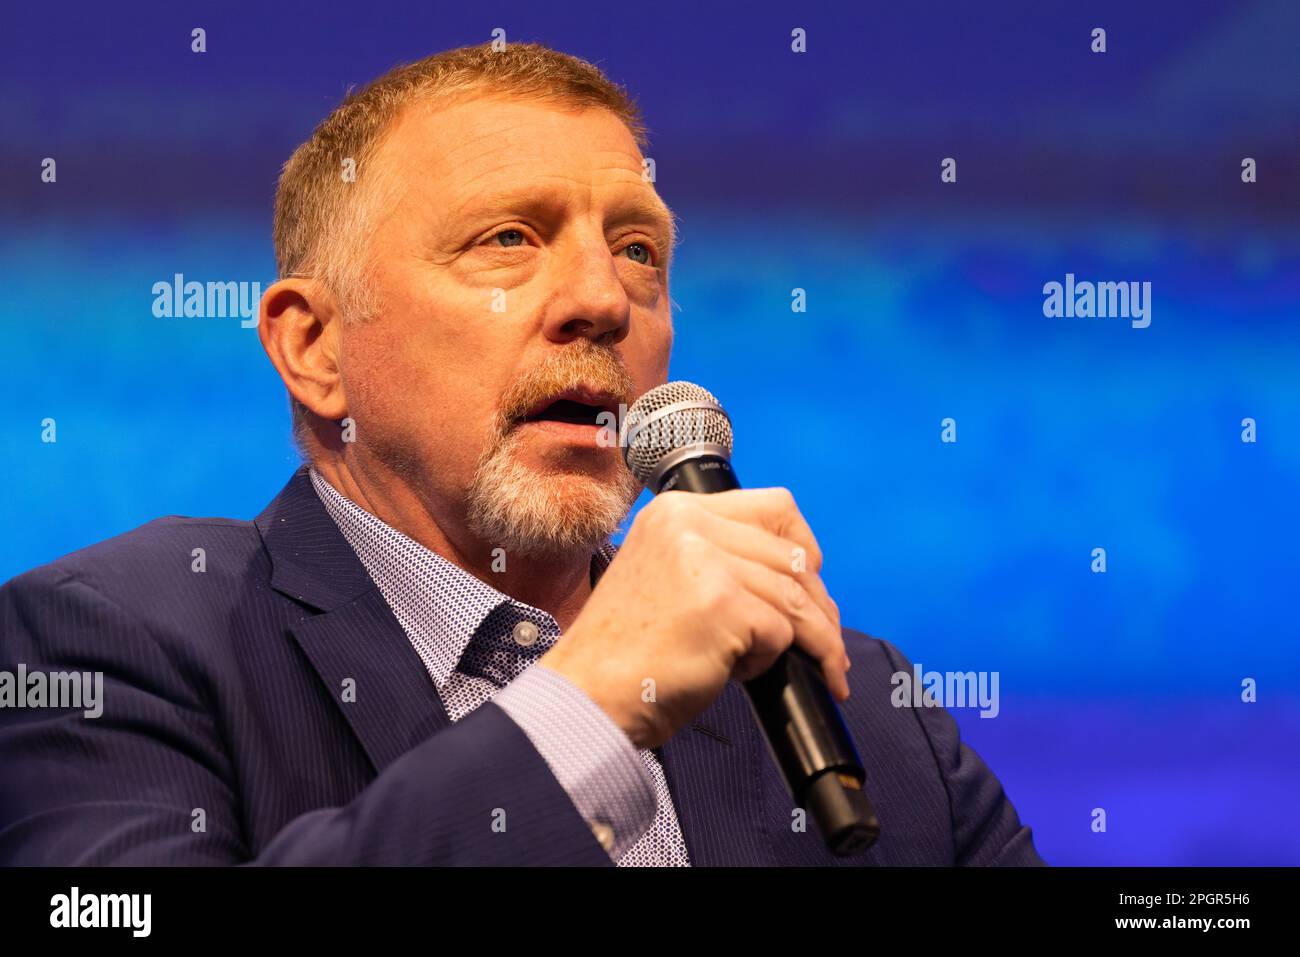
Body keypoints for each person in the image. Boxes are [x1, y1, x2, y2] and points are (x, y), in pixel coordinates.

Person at [0, 41, 1044, 866]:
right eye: (507, 239)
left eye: (638, 251)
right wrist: (587, 701)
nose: (601, 300)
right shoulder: (107, 645)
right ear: (314, 348)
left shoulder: (861, 709)